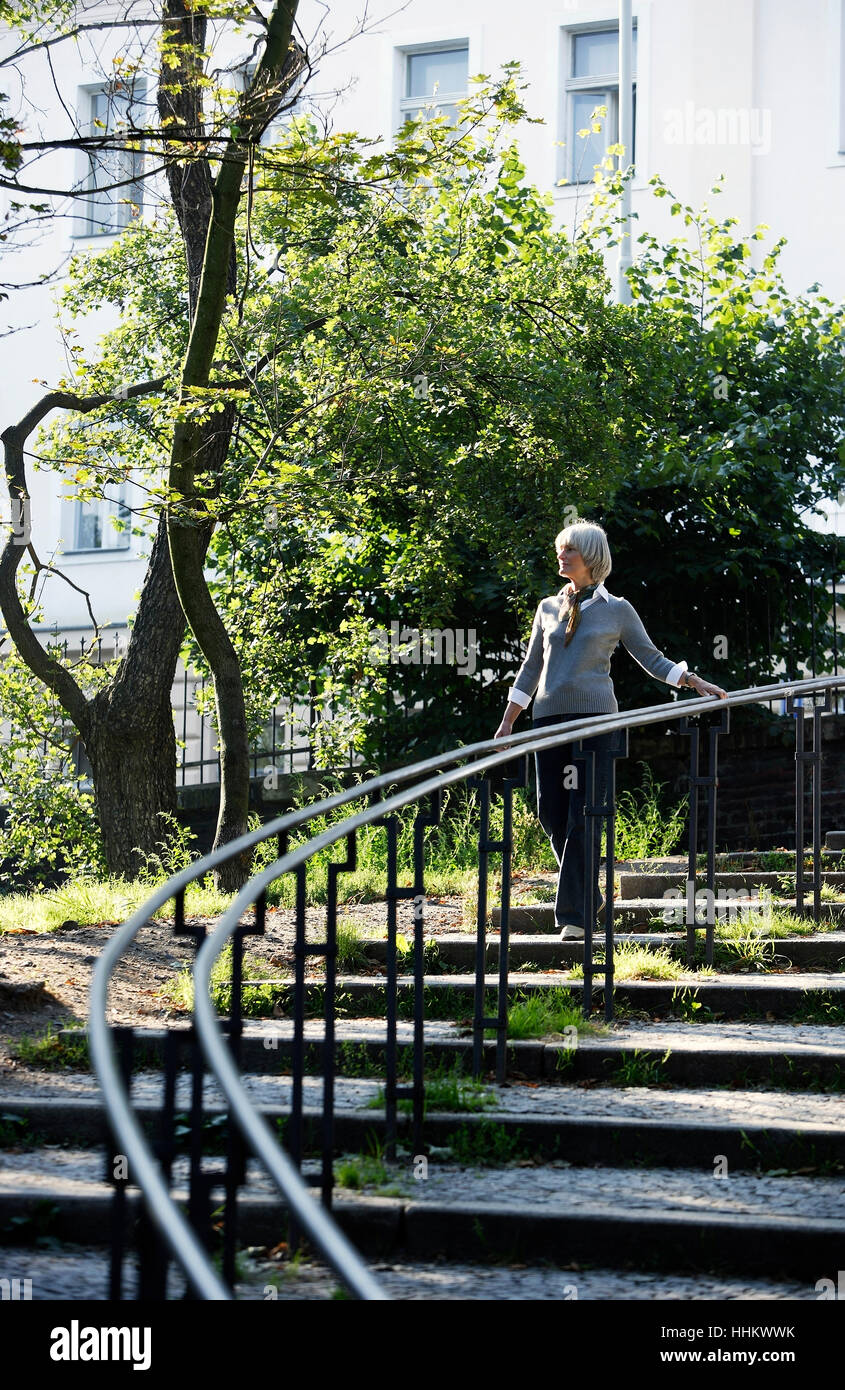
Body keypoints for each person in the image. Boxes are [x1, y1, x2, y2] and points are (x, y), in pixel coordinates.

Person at [494, 520, 728, 940]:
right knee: (552, 813)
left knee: (584, 814)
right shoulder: (548, 607)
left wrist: (694, 682)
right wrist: (508, 721)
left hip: (597, 725)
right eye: (561, 549)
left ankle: (574, 916)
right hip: (547, 722)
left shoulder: (617, 609)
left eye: (571, 551)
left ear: (591, 558)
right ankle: (588, 893)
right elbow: (531, 668)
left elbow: (651, 658)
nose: (561, 556)